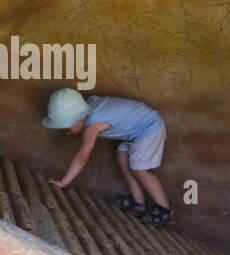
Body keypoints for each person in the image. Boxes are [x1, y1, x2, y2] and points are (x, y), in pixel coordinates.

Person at [42, 87, 173, 225]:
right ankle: (138, 202)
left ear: (79, 119)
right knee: (122, 157)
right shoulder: (88, 106)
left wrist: (63, 182)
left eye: (66, 127)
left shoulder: (92, 125)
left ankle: (164, 209)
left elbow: (83, 156)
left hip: (148, 128)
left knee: (139, 170)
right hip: (135, 130)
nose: (66, 132)